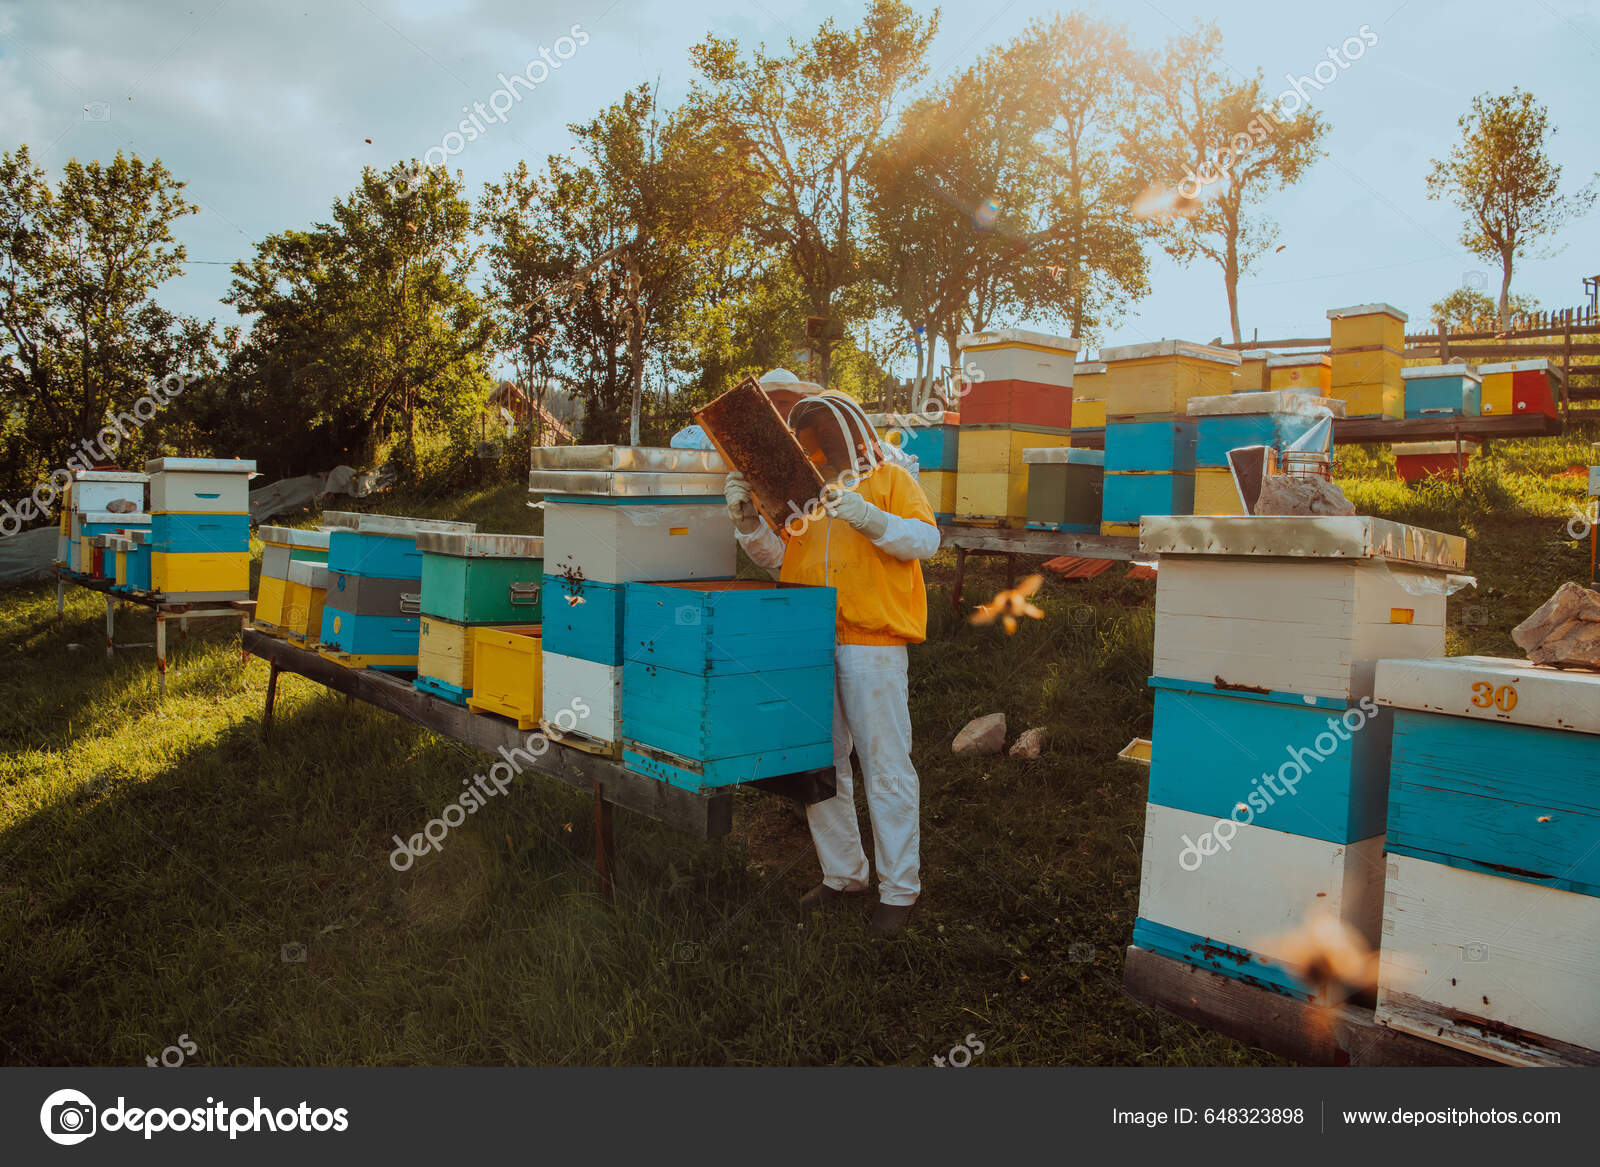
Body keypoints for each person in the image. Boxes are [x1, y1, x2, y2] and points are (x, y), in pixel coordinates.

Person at [723, 390, 941, 936]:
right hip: (809, 641)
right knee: (820, 763)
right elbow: (781, 560)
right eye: (808, 439)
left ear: (845, 431)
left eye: (820, 435)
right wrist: (749, 521)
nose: (815, 447)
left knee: (886, 764)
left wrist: (869, 517)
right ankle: (843, 875)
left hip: (872, 643)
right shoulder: (802, 496)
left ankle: (899, 891)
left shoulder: (892, 479)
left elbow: (927, 540)